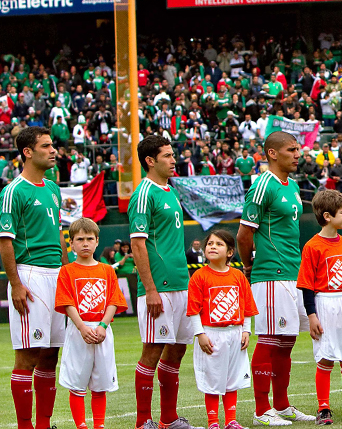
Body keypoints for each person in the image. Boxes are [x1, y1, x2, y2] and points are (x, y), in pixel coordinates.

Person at [237, 131, 314, 425]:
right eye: (291, 150)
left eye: (298, 149)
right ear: (272, 153)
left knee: (287, 340)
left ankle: (281, 405)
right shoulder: (261, 186)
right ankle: (260, 410)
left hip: (293, 273)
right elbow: (244, 235)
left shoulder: (292, 186)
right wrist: (248, 266)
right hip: (271, 274)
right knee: (270, 339)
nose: (298, 154)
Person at [129, 135, 201, 429]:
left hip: (181, 285)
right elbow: (137, 244)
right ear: (150, 160)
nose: (174, 160)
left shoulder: (170, 192)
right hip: (158, 288)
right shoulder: (144, 193)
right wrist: (150, 290)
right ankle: (142, 421)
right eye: (168, 156)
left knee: (177, 350)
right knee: (152, 351)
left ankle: (168, 419)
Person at [2, 127, 66, 429]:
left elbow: (60, 236)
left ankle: (43, 424)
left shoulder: (53, 188)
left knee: (51, 354)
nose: (53, 150)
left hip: (57, 275)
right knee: (28, 354)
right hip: (31, 276)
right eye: (46, 146)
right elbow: (5, 241)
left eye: (53, 145)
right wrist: (16, 284)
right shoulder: (14, 191)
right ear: (28, 152)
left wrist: (69, 275)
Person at [298, 190, 342, 425]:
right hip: (325, 302)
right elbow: (306, 285)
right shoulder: (312, 246)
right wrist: (312, 315)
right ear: (327, 216)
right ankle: (324, 408)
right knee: (326, 357)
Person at [55, 218, 127, 429]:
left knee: (100, 383)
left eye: (89, 239)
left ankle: (99, 425)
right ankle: (81, 425)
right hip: (79, 329)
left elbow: (114, 300)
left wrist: (102, 326)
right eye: (80, 239)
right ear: (72, 243)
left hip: (101, 329)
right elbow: (66, 302)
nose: (85, 243)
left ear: (97, 242)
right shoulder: (67, 271)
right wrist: (82, 327)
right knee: (77, 383)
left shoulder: (106, 270)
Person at [186, 230, 257, 429]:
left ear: (230, 252)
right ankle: (213, 422)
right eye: (210, 244)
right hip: (211, 334)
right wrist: (200, 334)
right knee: (212, 379)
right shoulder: (199, 277)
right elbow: (193, 310)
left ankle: (231, 420)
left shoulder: (238, 276)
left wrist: (246, 330)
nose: (213, 247)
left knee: (231, 378)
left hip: (234, 333)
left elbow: (247, 307)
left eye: (219, 244)